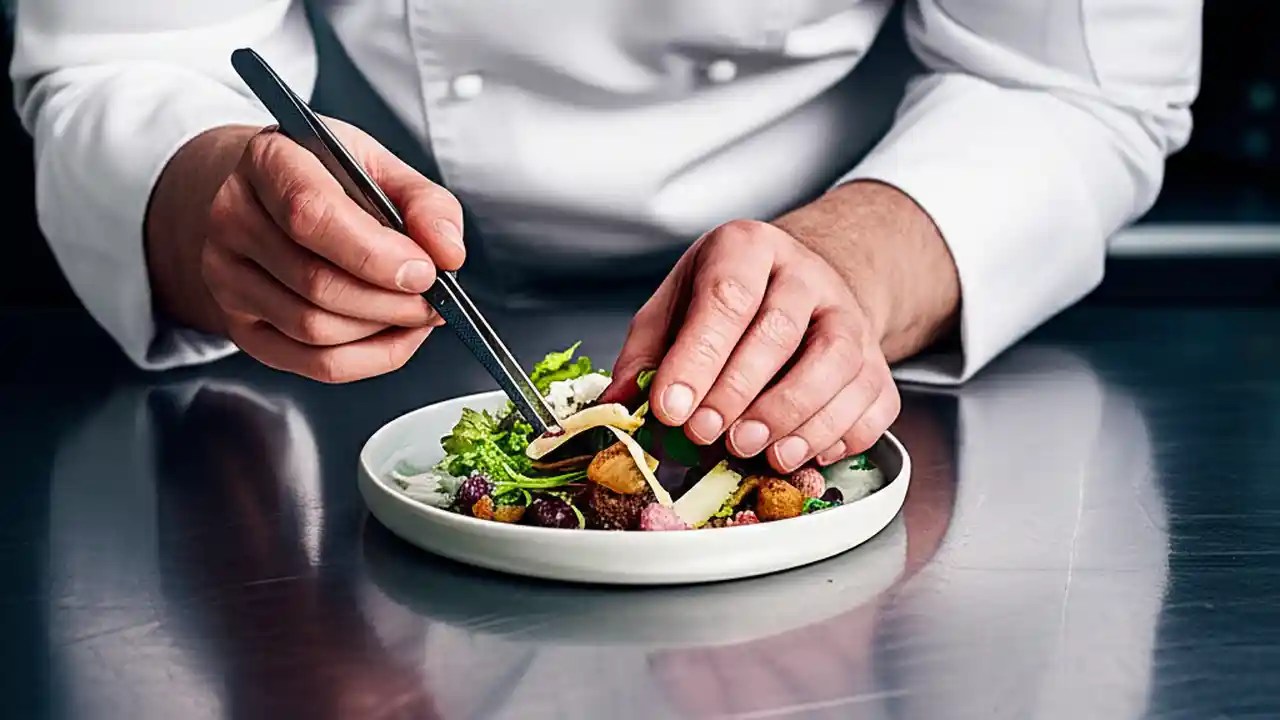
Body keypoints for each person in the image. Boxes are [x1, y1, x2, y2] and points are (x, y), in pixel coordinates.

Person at [11, 1, 1201, 473]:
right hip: (372, 294)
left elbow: (1068, 84)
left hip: (859, 243)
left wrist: (851, 262)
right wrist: (214, 205)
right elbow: (131, 51)